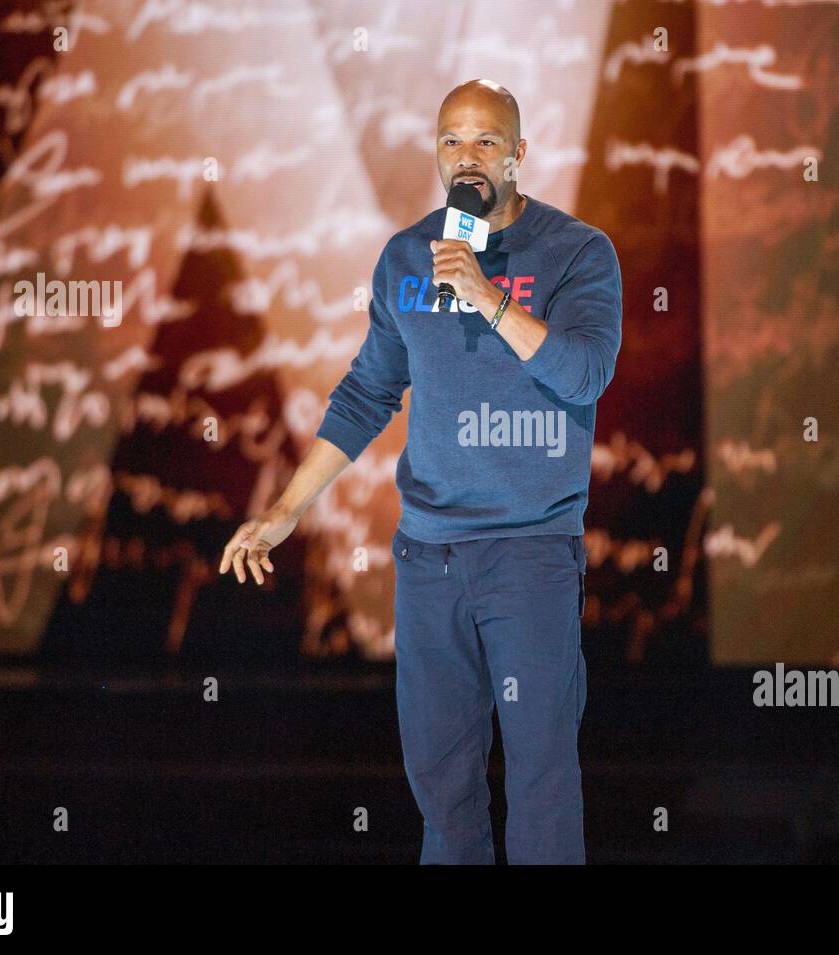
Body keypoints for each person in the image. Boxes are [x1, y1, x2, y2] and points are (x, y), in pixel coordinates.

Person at [219, 79, 623, 864]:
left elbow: (583, 376)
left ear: (518, 154)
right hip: (430, 558)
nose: (465, 157)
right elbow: (367, 392)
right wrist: (286, 511)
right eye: (450, 141)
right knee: (443, 788)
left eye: (484, 142)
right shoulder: (409, 258)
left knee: (541, 783)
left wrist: (486, 295)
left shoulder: (578, 253)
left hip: (530, 554)